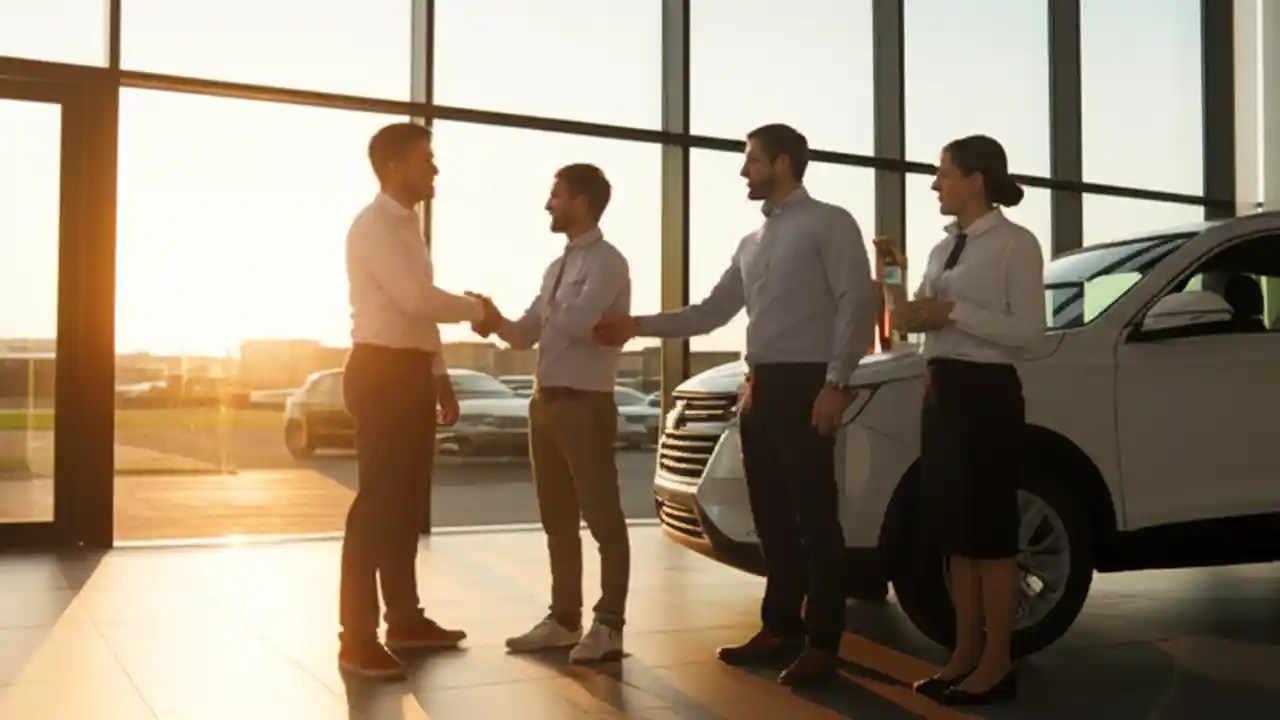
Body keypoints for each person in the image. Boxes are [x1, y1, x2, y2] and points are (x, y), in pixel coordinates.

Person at [593, 123, 877, 686]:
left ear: (783, 162)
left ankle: (824, 640)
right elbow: (709, 312)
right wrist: (637, 325)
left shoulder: (830, 222)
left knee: (815, 517)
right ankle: (780, 628)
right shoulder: (752, 242)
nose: (744, 171)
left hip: (809, 383)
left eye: (752, 160)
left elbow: (857, 301)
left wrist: (837, 382)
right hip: (761, 388)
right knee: (770, 515)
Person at [882, 135, 1045, 706]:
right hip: (943, 394)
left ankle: (997, 661)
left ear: (976, 179)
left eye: (943, 174)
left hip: (988, 395)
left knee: (990, 535)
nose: (934, 185)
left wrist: (953, 311)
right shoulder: (942, 248)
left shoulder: (1015, 244)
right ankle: (964, 652)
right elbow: (905, 321)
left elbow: (1029, 333)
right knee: (955, 532)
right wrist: (893, 278)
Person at [468, 163, 632, 664]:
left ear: (582, 202)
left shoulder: (608, 263)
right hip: (544, 403)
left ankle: (609, 625)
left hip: (586, 402)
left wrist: (551, 308)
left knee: (602, 518)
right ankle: (564, 619)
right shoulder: (555, 268)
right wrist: (493, 320)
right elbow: (525, 334)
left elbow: (582, 324)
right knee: (557, 519)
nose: (548, 205)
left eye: (556, 196)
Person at [339, 122, 486, 680]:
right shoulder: (374, 226)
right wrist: (478, 310)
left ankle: (404, 620)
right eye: (427, 158)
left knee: (404, 505)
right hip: (379, 372)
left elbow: (417, 314)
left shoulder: (409, 227)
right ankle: (356, 638)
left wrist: (440, 374)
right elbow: (414, 298)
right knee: (376, 507)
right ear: (396, 166)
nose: (435, 168)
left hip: (408, 372)